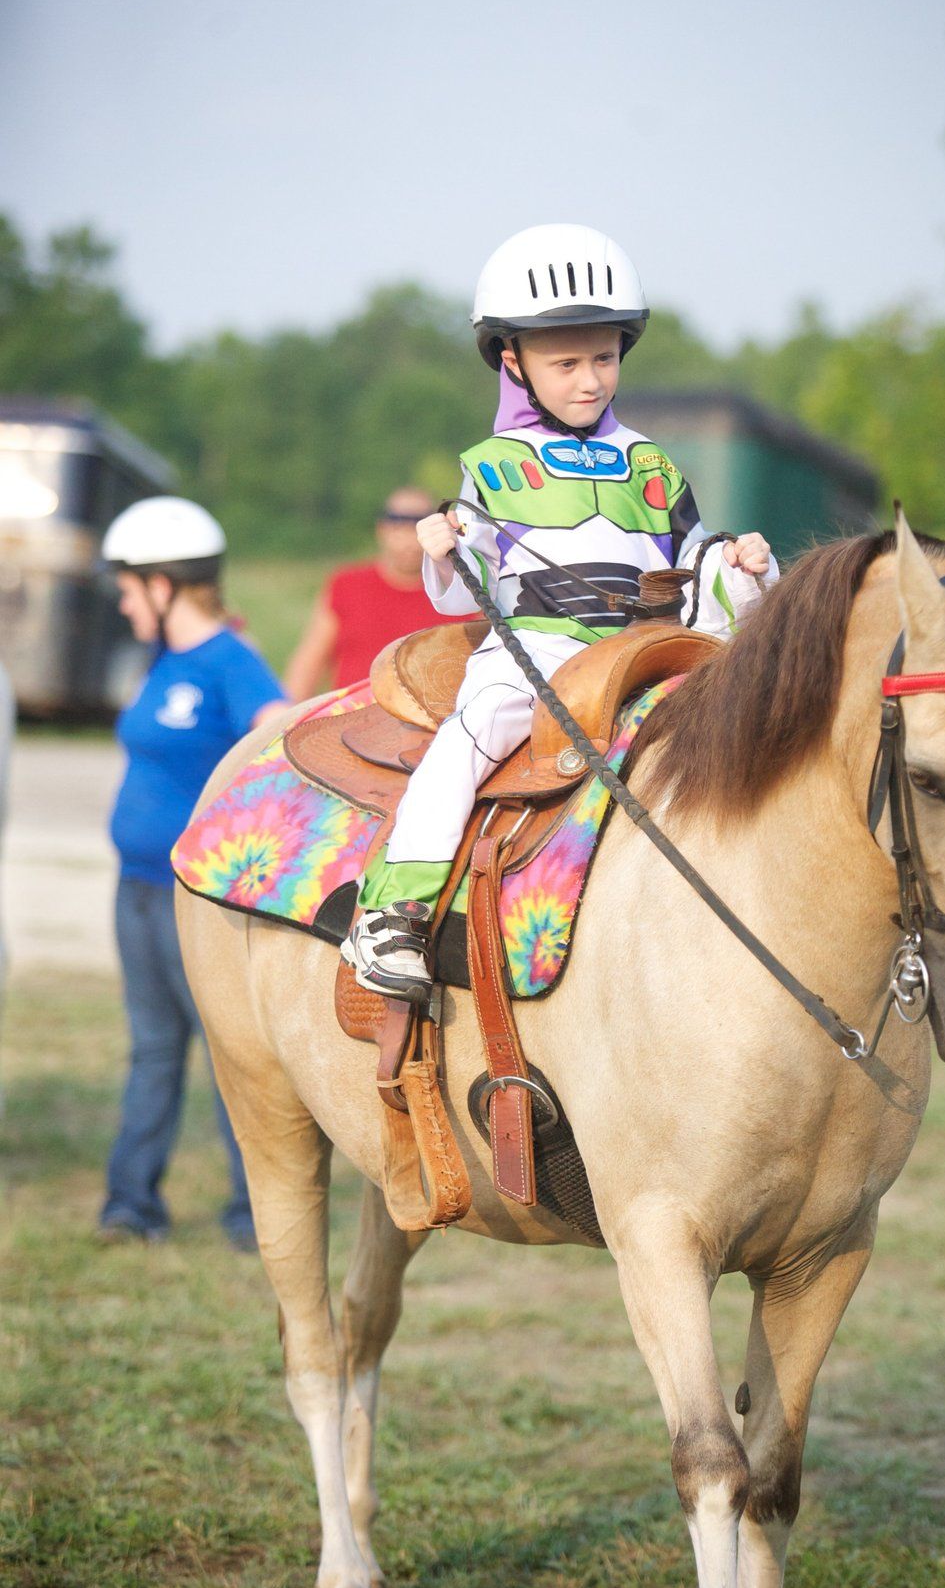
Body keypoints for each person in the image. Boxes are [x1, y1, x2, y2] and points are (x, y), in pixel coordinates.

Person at [342, 223, 778, 1003]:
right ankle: (391, 914)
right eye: (565, 362)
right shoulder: (492, 465)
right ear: (513, 361)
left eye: (603, 358)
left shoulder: (652, 463)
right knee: (472, 735)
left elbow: (695, 556)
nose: (589, 381)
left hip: (652, 646)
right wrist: (445, 548)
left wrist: (741, 566)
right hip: (537, 650)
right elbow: (464, 586)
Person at [98, 496, 287, 1249]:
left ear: (165, 583)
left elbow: (279, 728)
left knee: (229, 1056)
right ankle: (131, 1204)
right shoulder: (162, 659)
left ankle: (254, 1212)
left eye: (127, 585)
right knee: (151, 1048)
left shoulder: (227, 661)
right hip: (134, 889)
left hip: (193, 898)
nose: (120, 600)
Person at [284, 487, 474, 700]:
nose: (408, 539)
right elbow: (309, 663)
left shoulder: (460, 593)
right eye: (398, 526)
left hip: (433, 722)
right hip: (353, 718)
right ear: (381, 529)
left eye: (416, 527)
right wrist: (287, 723)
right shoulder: (347, 585)